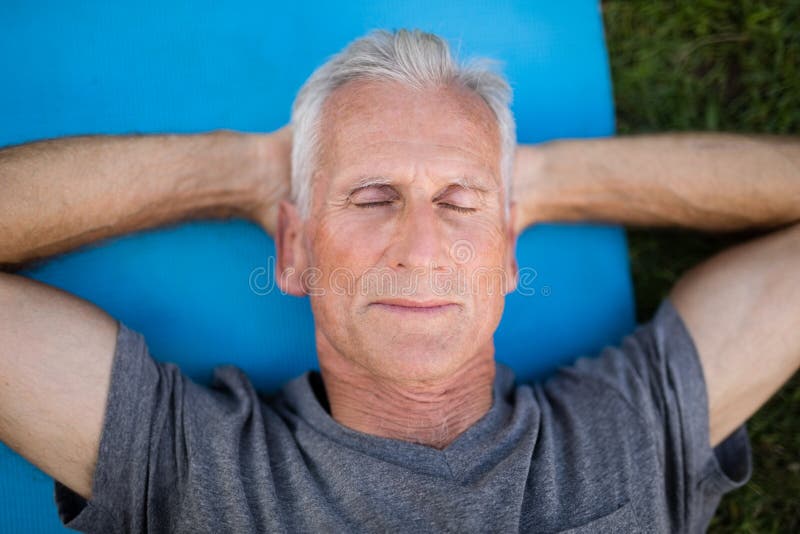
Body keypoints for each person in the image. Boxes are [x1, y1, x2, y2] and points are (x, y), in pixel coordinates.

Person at [0, 29, 797, 533]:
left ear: (510, 255)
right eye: (373, 198)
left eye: (457, 204)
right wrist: (239, 172)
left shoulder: (630, 431)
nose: (421, 247)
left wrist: (538, 183)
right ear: (293, 253)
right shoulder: (186, 468)